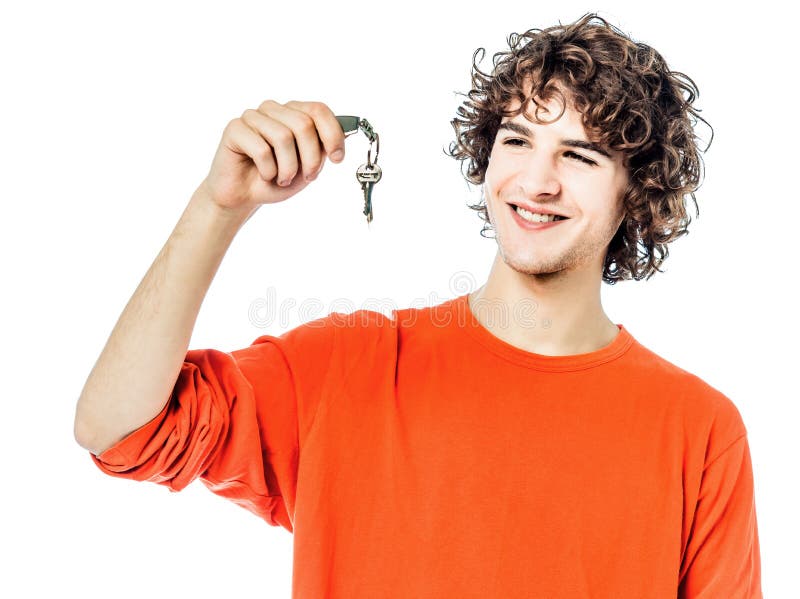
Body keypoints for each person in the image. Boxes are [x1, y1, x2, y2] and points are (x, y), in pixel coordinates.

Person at [73, 12, 762, 598]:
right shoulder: (350, 366)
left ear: (634, 194)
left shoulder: (699, 431)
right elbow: (115, 428)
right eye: (517, 140)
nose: (535, 180)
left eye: (579, 156)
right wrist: (219, 207)